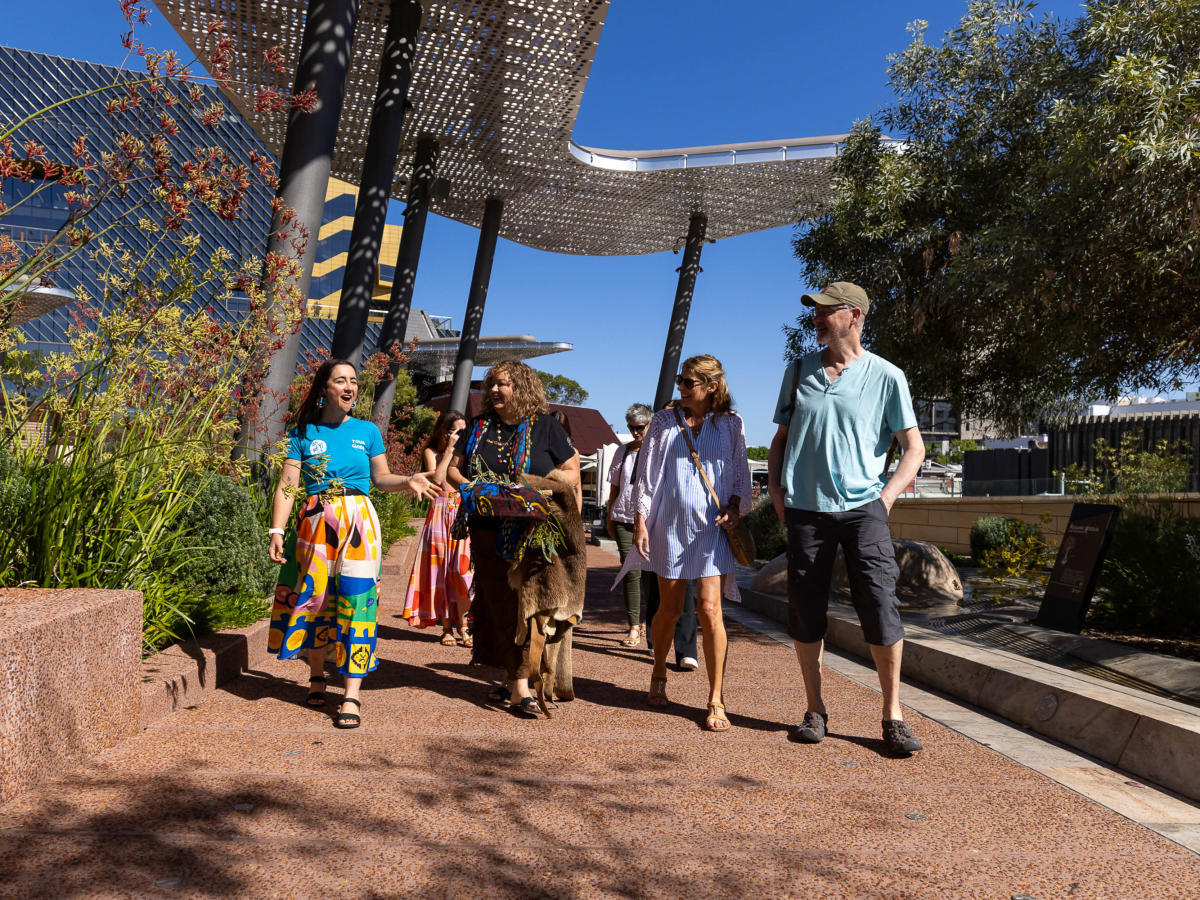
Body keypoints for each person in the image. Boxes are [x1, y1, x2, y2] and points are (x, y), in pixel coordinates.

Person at [766, 281, 926, 755]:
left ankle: (893, 715)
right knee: (805, 608)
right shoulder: (799, 371)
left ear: (854, 315)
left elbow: (914, 447)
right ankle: (815, 709)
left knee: (879, 603)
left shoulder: (887, 376)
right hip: (806, 510)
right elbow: (780, 440)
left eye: (826, 311)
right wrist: (775, 489)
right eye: (814, 311)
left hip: (864, 509)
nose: (816, 318)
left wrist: (887, 497)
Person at [267, 358, 438, 729]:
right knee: (315, 600)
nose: (350, 387)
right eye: (341, 380)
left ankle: (351, 695)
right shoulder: (302, 433)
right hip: (315, 523)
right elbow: (288, 485)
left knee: (357, 601)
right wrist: (276, 530)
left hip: (360, 522)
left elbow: (381, 478)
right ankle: (316, 676)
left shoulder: (367, 431)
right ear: (324, 388)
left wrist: (407, 480)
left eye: (354, 381)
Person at [624, 354, 751, 732]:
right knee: (670, 608)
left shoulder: (731, 424)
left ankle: (716, 697)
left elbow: (740, 473)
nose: (680, 387)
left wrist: (735, 508)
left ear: (711, 386)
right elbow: (647, 477)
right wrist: (641, 522)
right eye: (679, 380)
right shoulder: (664, 422)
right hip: (671, 527)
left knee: (710, 610)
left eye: (687, 382)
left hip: (713, 529)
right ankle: (658, 671)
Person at [448, 359, 579, 717]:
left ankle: (522, 683)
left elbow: (571, 469)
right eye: (491, 383)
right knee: (499, 603)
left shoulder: (546, 426)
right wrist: (474, 488)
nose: (494, 389)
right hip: (487, 527)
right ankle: (515, 679)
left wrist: (545, 489)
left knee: (529, 603)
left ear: (522, 387)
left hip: (534, 529)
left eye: (502, 383)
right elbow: (453, 469)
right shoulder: (478, 427)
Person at [402, 410, 473, 646]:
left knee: (463, 571)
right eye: (455, 431)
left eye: (463, 431)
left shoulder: (468, 453)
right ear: (445, 431)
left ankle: (464, 625)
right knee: (441, 572)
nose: (459, 436)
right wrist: (450, 450)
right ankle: (447, 629)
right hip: (440, 514)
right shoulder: (432, 452)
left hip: (462, 513)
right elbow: (438, 479)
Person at [606, 403, 652, 648]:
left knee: (650, 574)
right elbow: (614, 487)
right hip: (623, 518)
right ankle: (634, 625)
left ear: (650, 425)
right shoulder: (622, 452)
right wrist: (609, 517)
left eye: (640, 427)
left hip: (650, 521)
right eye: (631, 427)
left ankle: (649, 622)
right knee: (630, 571)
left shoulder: (656, 451)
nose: (635, 432)